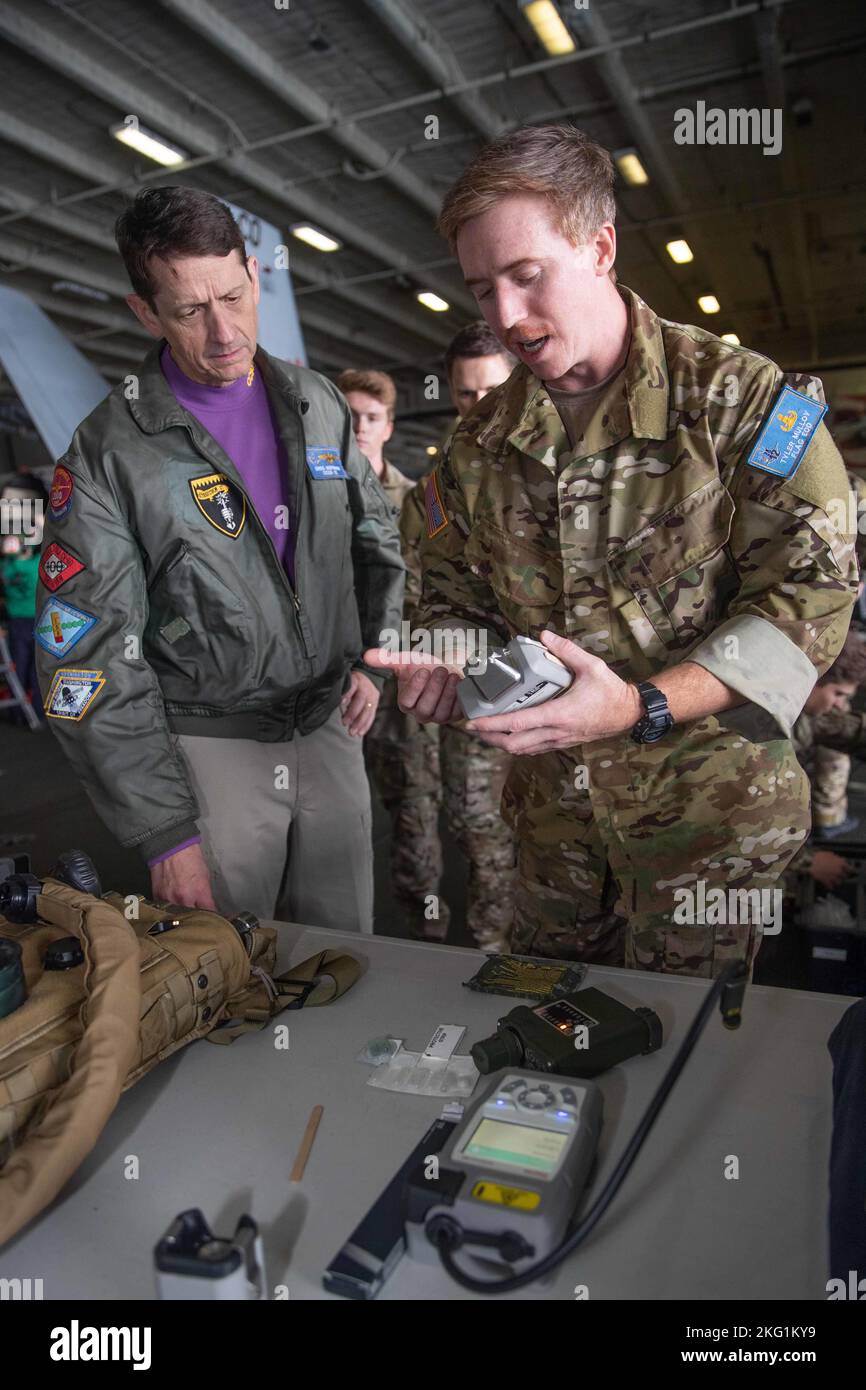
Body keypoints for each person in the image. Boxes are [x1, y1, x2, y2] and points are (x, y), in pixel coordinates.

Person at [366, 123, 857, 978]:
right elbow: (448, 597)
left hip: (709, 836)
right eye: (482, 290)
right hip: (555, 840)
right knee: (555, 1049)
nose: (507, 317)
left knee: (696, 1075)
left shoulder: (745, 404)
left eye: (527, 276)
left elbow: (809, 603)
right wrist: (453, 665)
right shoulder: (478, 447)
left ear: (599, 248)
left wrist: (643, 706)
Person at [36, 186, 404, 930]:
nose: (224, 332)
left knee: (351, 964)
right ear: (146, 312)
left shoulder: (316, 402)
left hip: (331, 733)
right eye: (189, 310)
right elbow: (85, 658)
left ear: (253, 273)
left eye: (234, 296)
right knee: (230, 978)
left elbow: (376, 545)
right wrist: (165, 831)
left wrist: (373, 656)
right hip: (212, 752)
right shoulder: (110, 451)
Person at [400, 325, 518, 951]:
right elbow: (425, 586)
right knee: (474, 816)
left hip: (564, 679)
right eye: (467, 395)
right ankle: (490, 946)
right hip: (478, 676)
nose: (482, 406)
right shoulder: (439, 484)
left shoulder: (556, 463)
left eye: (493, 389)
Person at [337, 367, 451, 940]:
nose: (360, 427)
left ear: (388, 426)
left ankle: (424, 932)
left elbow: (438, 594)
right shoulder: (311, 501)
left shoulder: (418, 503)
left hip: (400, 681)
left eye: (372, 417)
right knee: (331, 815)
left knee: (414, 809)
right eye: (350, 415)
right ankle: (339, 934)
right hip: (330, 684)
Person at [784, 634, 866, 898]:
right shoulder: (764, 726)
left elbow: (840, 728)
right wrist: (808, 862)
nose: (841, 704)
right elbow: (739, 817)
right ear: (813, 679)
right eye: (838, 693)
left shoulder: (797, 706)